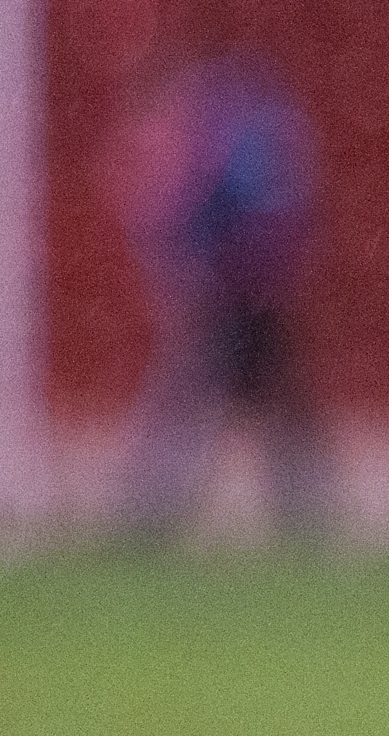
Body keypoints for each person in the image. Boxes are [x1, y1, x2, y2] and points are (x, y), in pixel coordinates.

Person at [111, 46, 331, 539]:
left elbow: (193, 217)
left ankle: (148, 517)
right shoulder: (248, 133)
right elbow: (282, 215)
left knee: (199, 399)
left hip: (236, 295)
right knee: (270, 406)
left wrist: (201, 278)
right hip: (256, 293)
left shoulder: (215, 140)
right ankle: (306, 520)